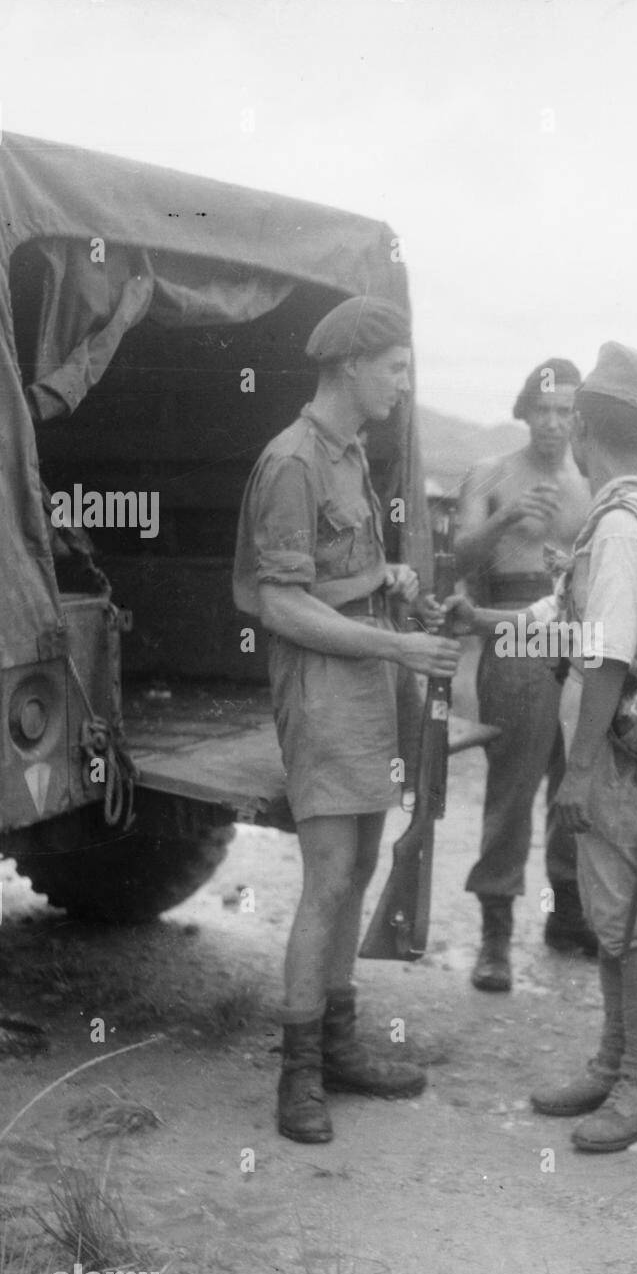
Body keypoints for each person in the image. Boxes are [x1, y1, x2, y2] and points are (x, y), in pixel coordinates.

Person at [233, 295, 462, 1145]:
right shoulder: (290, 462)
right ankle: (297, 1078)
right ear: (352, 367)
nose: (404, 385)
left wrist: (386, 580)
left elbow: (335, 572)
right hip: (324, 687)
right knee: (329, 876)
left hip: (363, 679)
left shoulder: (350, 454)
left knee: (361, 862)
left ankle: (337, 1047)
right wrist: (397, 649)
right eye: (396, 369)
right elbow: (281, 607)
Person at [450, 342, 637, 1152]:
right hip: (623, 737)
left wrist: (580, 771)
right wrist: (486, 623)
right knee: (615, 909)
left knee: (629, 913)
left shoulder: (616, 524)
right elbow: (567, 616)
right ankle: (616, 1063)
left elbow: (608, 652)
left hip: (615, 746)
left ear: (583, 425)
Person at [453, 359, 594, 991]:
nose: (555, 423)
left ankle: (567, 917)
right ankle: (496, 937)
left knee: (578, 778)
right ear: (524, 410)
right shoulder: (491, 473)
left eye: (567, 411)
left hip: (578, 633)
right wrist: (506, 518)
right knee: (513, 788)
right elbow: (456, 555)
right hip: (511, 629)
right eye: (544, 410)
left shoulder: (592, 479)